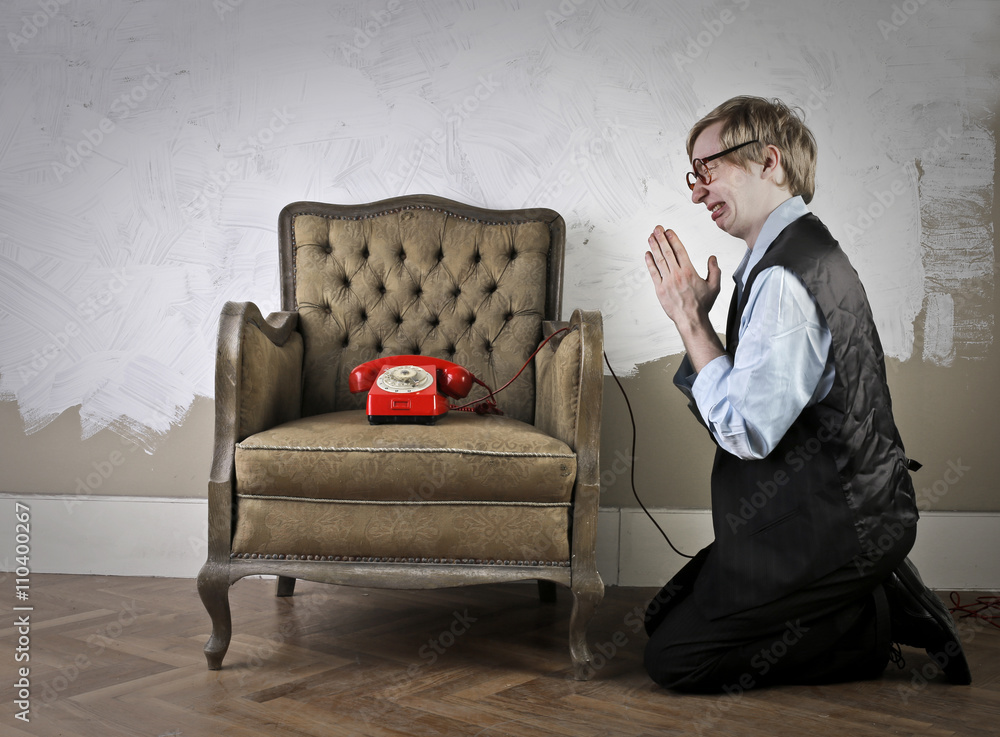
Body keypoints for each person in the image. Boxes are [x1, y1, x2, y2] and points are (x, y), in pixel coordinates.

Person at [641, 95, 971, 691]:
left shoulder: (786, 279)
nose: (696, 191)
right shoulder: (790, 255)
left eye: (707, 170)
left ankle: (871, 623)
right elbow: (752, 406)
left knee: (675, 660)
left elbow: (744, 430)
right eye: (693, 175)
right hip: (820, 509)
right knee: (662, 614)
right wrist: (704, 324)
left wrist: (690, 322)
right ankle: (855, 598)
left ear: (768, 161)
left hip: (839, 525)